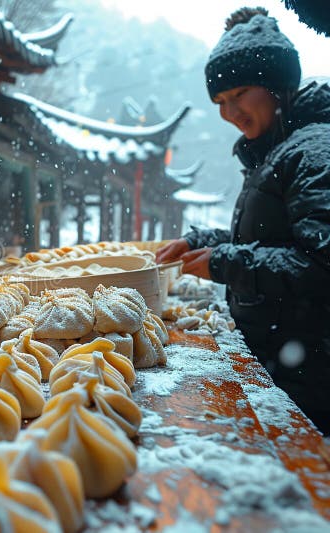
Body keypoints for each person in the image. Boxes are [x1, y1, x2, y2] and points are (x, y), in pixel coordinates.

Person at [156, 7, 330, 432]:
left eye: (239, 94)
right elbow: (270, 237)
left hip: (312, 378)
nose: (228, 112)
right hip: (285, 363)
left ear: (276, 85)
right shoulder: (276, 151)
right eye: (220, 101)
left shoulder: (314, 152)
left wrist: (225, 263)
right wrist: (203, 242)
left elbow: (320, 264)